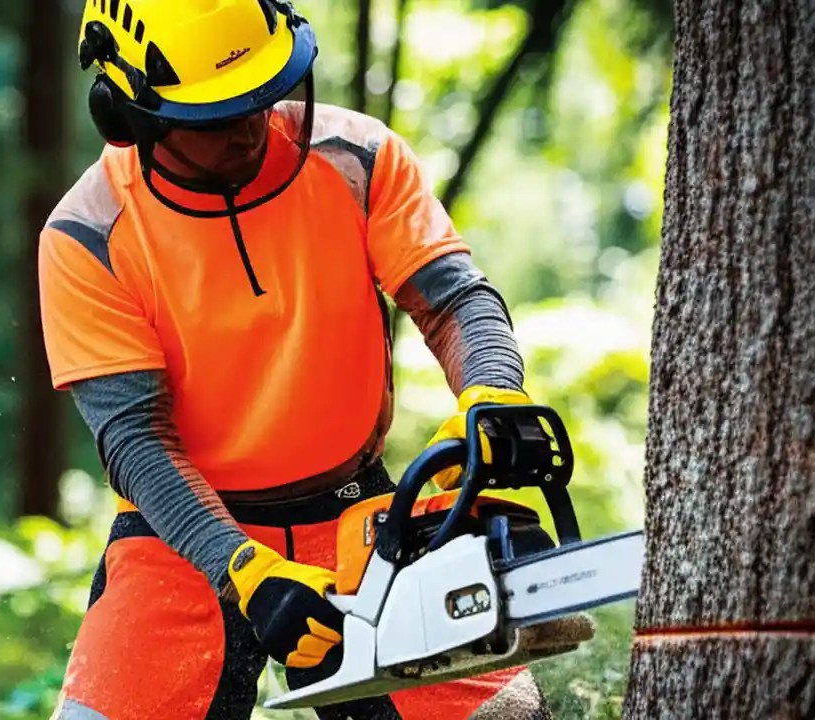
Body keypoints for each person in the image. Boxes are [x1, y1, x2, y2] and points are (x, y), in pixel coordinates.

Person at [38, 1, 560, 718]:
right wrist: (240, 568)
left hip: (356, 516)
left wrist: (491, 392)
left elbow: (453, 299)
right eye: (215, 116)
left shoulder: (358, 158)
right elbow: (134, 439)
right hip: (179, 534)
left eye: (263, 94)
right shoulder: (89, 235)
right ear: (129, 117)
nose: (250, 126)